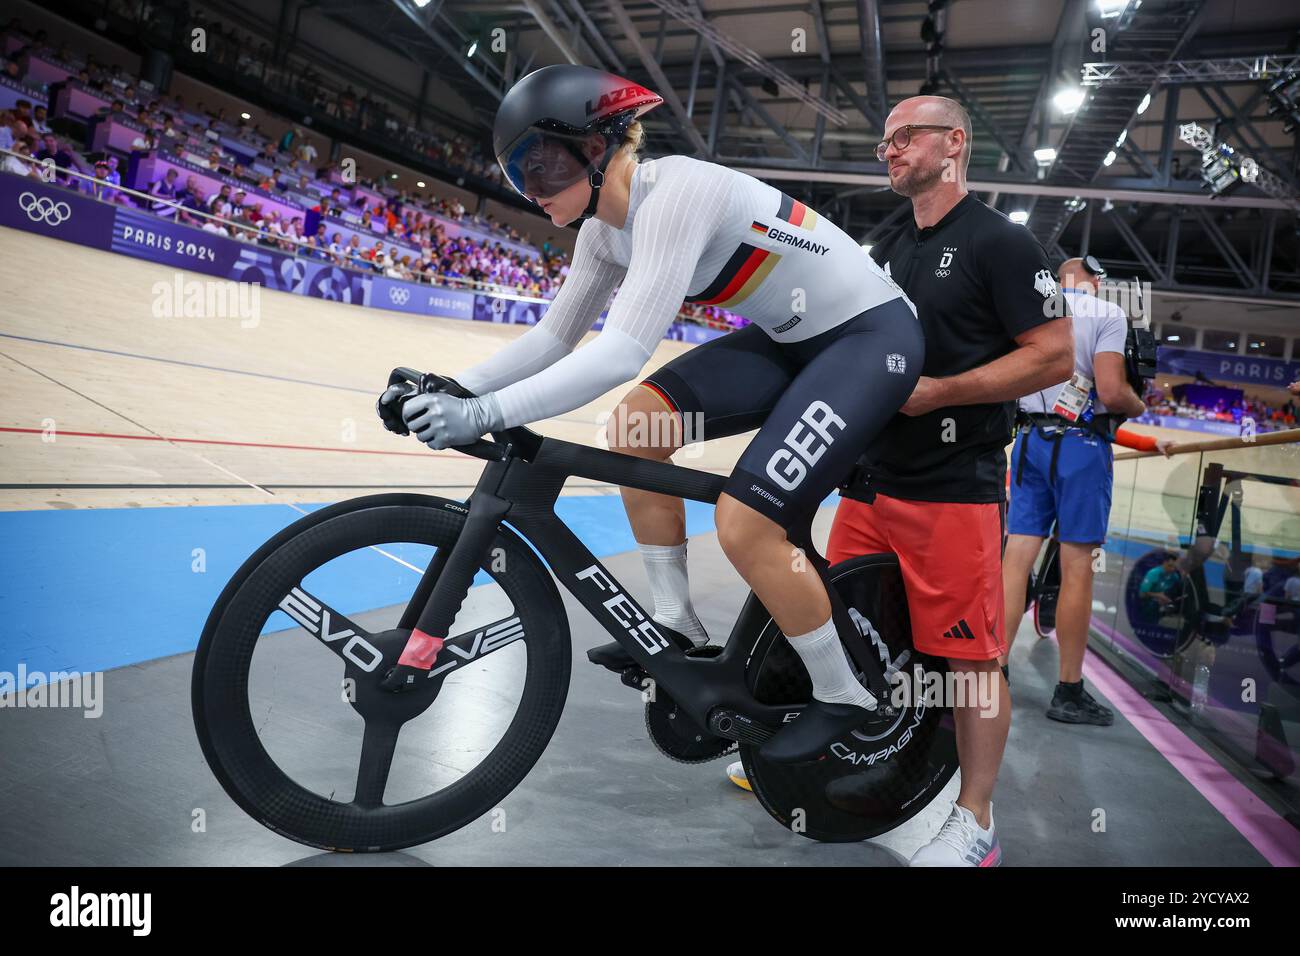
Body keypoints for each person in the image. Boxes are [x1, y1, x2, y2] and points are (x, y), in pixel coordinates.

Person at [381, 64, 924, 763]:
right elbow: (553, 339)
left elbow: (617, 354)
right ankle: (677, 620)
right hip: (792, 339)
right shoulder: (603, 234)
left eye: (540, 167)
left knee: (745, 520)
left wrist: (483, 411)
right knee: (636, 431)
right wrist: (453, 386)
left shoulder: (676, 194)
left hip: (870, 337)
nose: (531, 189)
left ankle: (845, 696)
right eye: (520, 175)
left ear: (597, 148)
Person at [820, 95, 1075, 865]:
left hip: (951, 486)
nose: (889, 151)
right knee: (851, 632)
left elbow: (1053, 357)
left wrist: (941, 392)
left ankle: (976, 820)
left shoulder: (1002, 242)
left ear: (953, 143)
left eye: (904, 137)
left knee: (968, 663)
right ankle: (823, 760)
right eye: (883, 141)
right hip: (870, 481)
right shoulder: (893, 243)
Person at [1000, 255, 1148, 728]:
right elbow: (1112, 389)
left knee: (1016, 557)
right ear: (1097, 282)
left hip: (1028, 442)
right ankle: (1068, 690)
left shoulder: (1034, 309)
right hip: (1082, 445)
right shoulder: (1106, 314)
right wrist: (1138, 402)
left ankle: (993, 673)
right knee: (1077, 564)